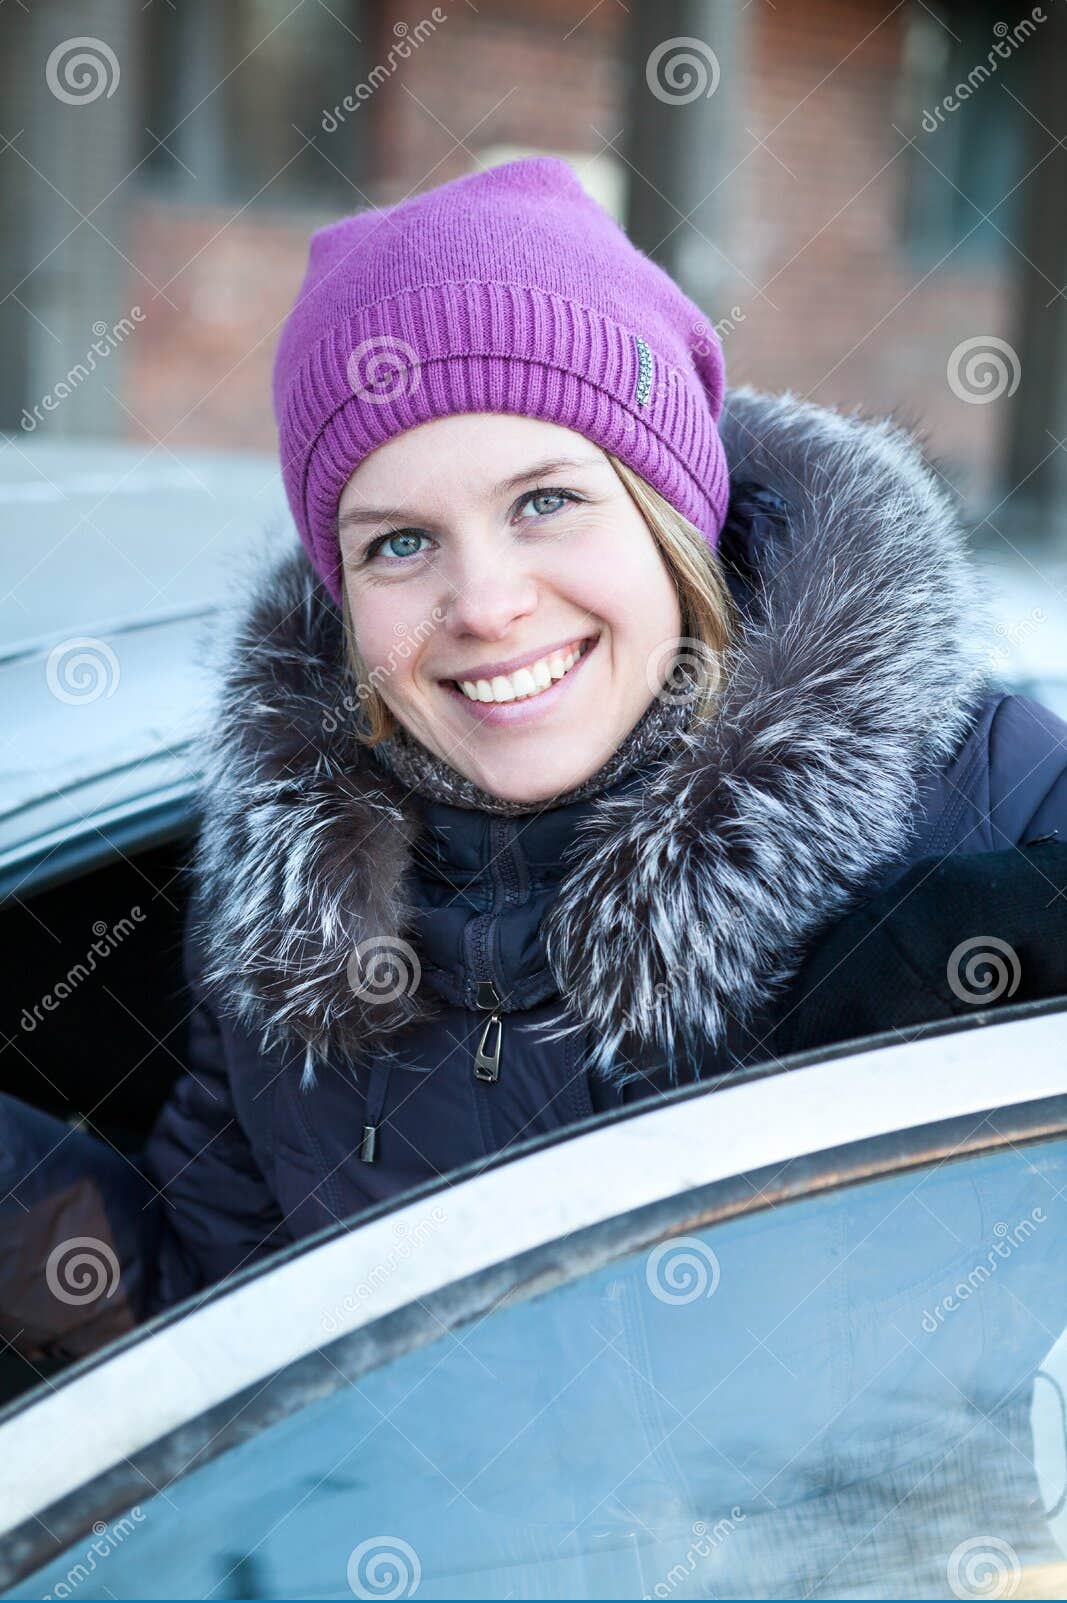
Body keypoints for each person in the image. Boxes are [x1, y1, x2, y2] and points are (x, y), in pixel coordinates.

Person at [2, 154, 1066, 1357]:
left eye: (544, 501)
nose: (485, 603)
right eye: (400, 542)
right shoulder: (292, 928)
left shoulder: (981, 792)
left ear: (673, 510)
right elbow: (223, 1340)